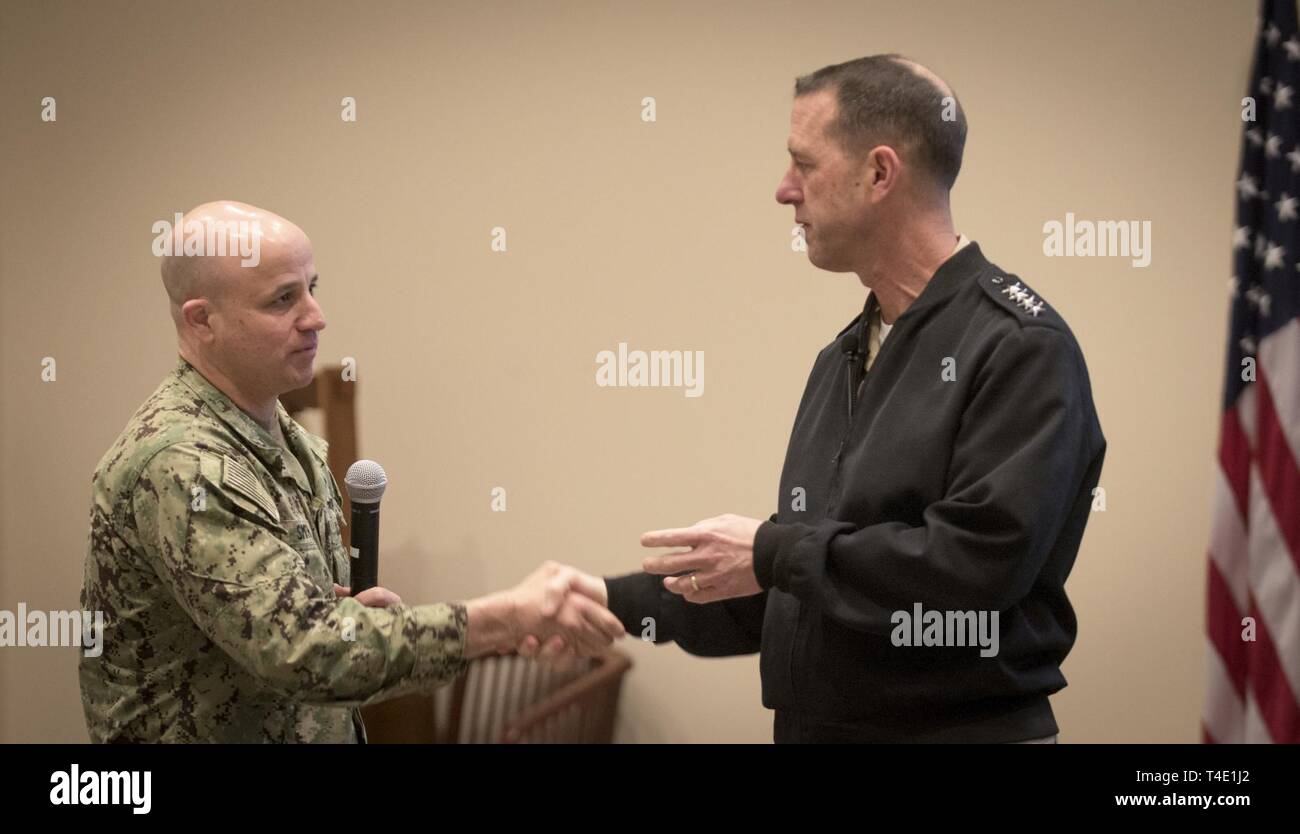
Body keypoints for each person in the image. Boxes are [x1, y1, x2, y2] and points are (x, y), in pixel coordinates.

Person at [543, 54, 1106, 743]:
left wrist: (773, 552)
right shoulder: (848, 352)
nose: (784, 191)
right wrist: (610, 601)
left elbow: (972, 571)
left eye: (803, 165)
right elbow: (805, 583)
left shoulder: (1019, 347)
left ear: (878, 173)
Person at [80, 201, 622, 743]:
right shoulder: (183, 464)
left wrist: (347, 615)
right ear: (202, 320)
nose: (316, 317)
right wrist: (506, 619)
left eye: (312, 288)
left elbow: (284, 630)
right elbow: (305, 650)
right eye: (283, 299)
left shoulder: (285, 441)